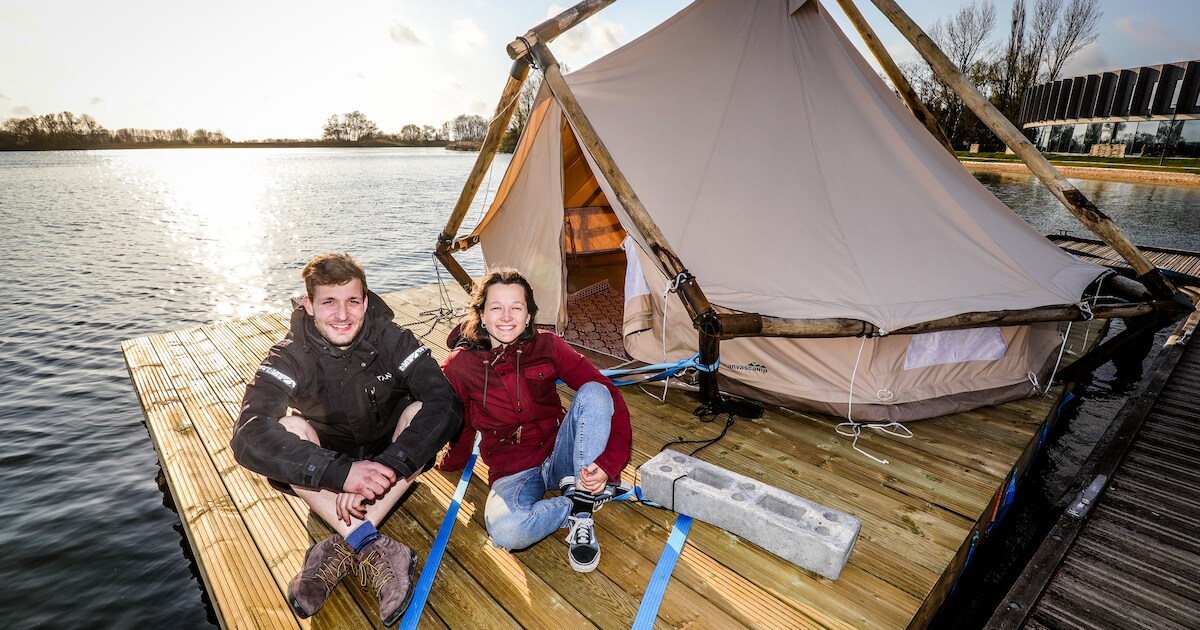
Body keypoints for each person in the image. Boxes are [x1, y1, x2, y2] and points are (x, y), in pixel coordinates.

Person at [231, 253, 463, 626]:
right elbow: (249, 431)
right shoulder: (289, 355)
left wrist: (387, 465)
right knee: (287, 430)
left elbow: (445, 401)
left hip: (390, 459)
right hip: (329, 471)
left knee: (422, 413)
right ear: (309, 305)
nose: (342, 314)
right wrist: (340, 473)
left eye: (352, 301)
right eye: (329, 302)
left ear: (365, 301)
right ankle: (371, 543)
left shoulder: (393, 339)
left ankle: (345, 542)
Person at [438, 267, 632, 573]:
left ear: (529, 315)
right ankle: (577, 502)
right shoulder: (459, 366)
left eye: (516, 308)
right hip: (515, 471)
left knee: (595, 391)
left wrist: (610, 462)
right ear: (481, 314)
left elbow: (609, 396)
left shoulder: (548, 345)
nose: (506, 317)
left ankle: (583, 509)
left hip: (563, 454)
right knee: (509, 531)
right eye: (496, 308)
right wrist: (451, 461)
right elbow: (460, 424)